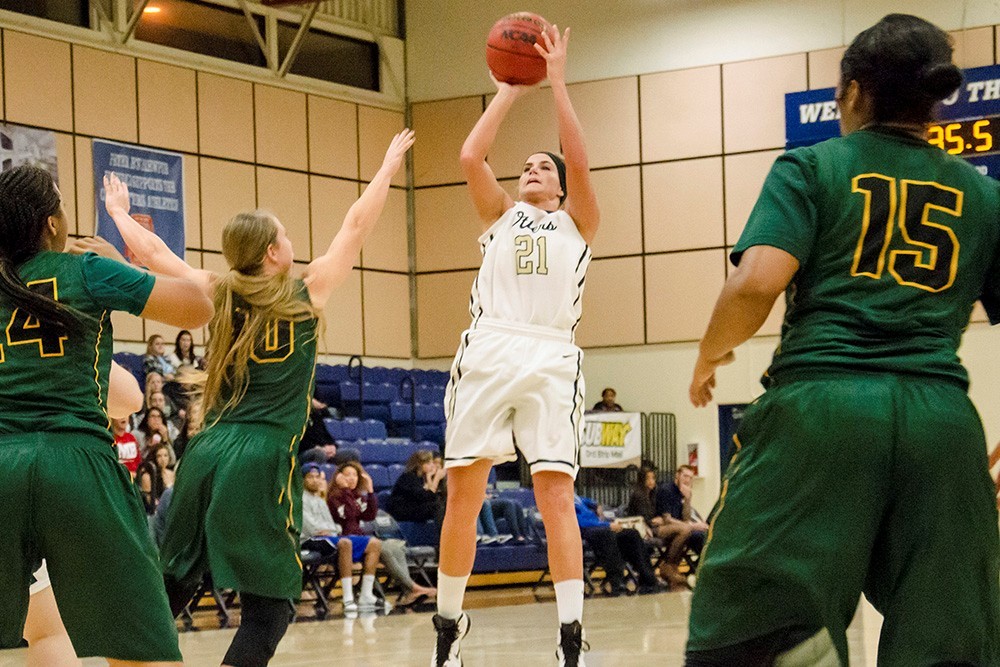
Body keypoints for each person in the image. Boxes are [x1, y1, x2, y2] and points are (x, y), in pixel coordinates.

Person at [686, 15, 1000, 666]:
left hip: (822, 409)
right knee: (951, 636)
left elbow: (755, 283)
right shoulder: (986, 196)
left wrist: (708, 356)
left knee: (755, 621)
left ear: (854, 91)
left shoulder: (812, 166)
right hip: (943, 427)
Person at [108, 129, 414, 666]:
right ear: (273, 251)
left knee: (176, 579)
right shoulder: (307, 291)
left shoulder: (218, 290)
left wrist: (117, 212)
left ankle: (126, 658)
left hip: (205, 453)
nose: (292, 242)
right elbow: (356, 225)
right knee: (269, 608)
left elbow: (153, 253)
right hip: (261, 455)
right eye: (286, 235)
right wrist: (387, 169)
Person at [0, 164, 213, 664]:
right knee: (138, 648)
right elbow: (199, 307)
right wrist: (121, 262)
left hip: (3, 464)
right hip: (77, 464)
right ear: (52, 222)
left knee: (43, 631)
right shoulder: (86, 270)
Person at [435, 24, 600, 667]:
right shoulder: (501, 215)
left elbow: (579, 160)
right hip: (490, 347)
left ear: (559, 188)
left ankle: (570, 636)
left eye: (543, 167)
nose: (532, 169)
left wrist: (556, 82)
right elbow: (470, 157)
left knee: (555, 495)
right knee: (464, 493)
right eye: (526, 165)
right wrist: (507, 89)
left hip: (551, 356)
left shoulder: (578, 222)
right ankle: (448, 628)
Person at [573, 495, 661, 596]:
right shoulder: (562, 499)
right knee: (607, 534)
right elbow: (579, 522)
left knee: (632, 534)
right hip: (583, 530)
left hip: (598, 525)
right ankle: (616, 582)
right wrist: (607, 525)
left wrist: (596, 505)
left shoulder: (574, 496)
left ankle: (648, 579)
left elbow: (585, 500)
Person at [653, 465, 707, 589]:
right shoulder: (666, 489)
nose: (687, 480)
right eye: (685, 476)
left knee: (692, 532)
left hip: (677, 528)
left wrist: (688, 499)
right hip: (659, 527)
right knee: (687, 529)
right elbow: (667, 519)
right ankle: (669, 565)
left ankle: (674, 567)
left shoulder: (683, 492)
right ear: (677, 475)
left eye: (690, 478)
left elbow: (686, 518)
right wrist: (693, 526)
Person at [385, 449, 446, 525]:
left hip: (414, 507)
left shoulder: (421, 477)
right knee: (437, 507)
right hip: (402, 510)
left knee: (441, 504)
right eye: (428, 463)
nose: (432, 466)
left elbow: (431, 496)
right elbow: (426, 496)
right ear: (419, 465)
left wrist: (429, 478)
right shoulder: (408, 477)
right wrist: (436, 479)